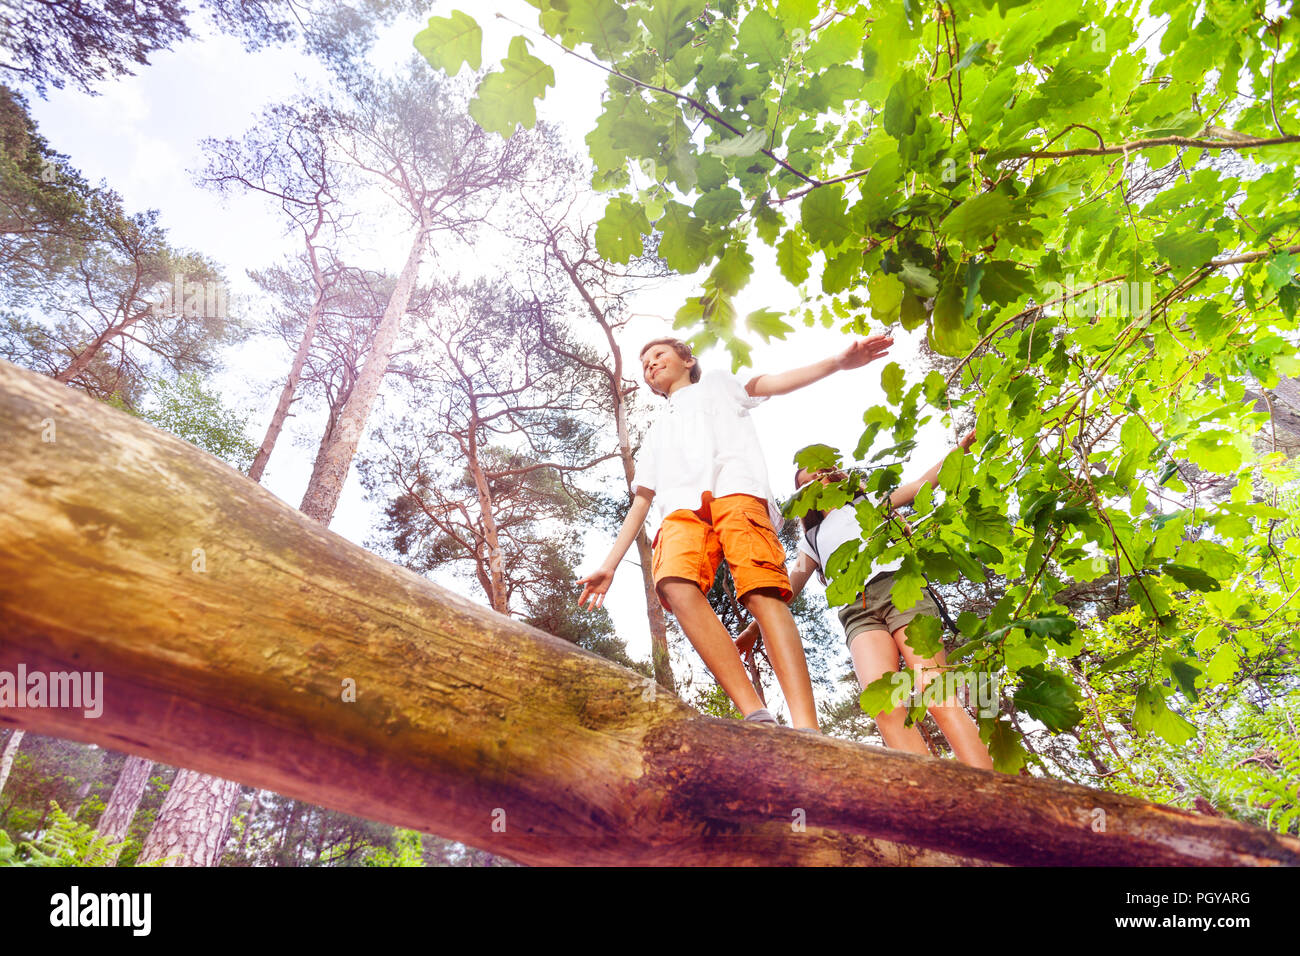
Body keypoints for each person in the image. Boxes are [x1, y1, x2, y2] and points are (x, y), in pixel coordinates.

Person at [577, 334, 894, 731]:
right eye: (644, 364)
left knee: (760, 590)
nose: (650, 365)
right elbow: (641, 501)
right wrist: (610, 565)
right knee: (674, 583)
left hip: (735, 489)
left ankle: (807, 726)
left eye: (658, 355)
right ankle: (755, 713)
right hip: (679, 509)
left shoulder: (717, 385)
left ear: (687, 359)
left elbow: (772, 383)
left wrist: (837, 362)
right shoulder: (656, 431)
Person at [735, 432, 994, 767]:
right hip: (858, 612)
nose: (817, 481)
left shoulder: (870, 500)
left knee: (936, 691)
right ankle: (936, 796)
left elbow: (919, 485)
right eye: (807, 482)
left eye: (821, 473)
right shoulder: (812, 538)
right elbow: (788, 586)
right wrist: (755, 629)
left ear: (837, 474)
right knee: (883, 705)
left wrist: (961, 450)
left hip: (899, 588)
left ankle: (987, 784)